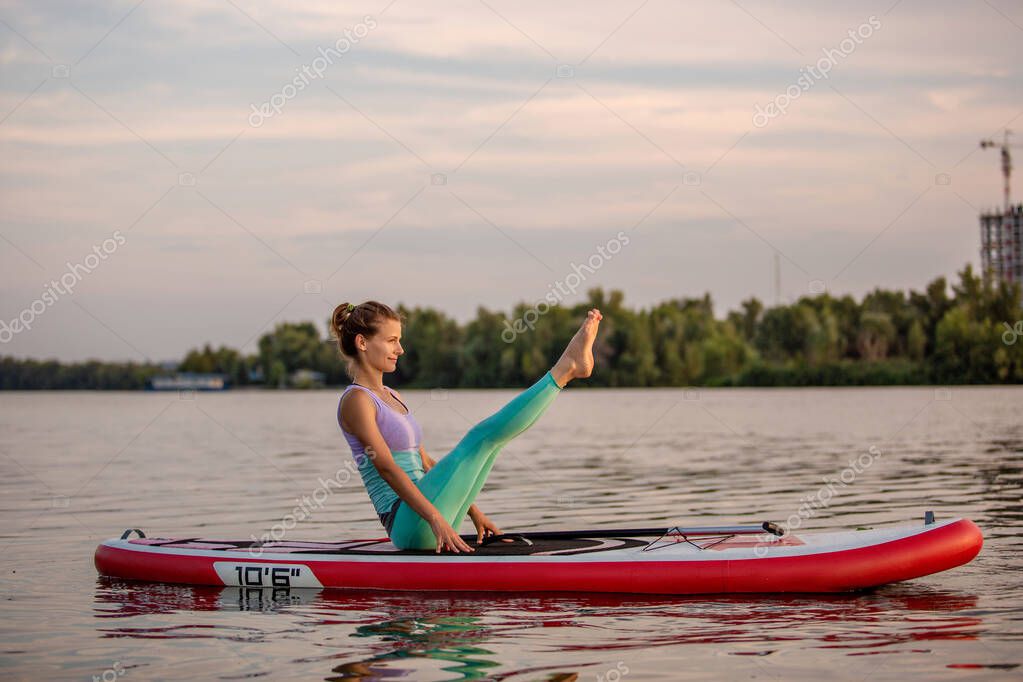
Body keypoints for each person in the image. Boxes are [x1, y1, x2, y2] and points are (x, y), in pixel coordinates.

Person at [333, 301, 602, 553]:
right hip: (407, 522)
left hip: (425, 512)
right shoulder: (357, 400)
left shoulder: (393, 396)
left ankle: (566, 374)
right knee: (480, 438)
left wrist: (473, 512)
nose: (400, 349)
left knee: (492, 444)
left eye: (399, 341)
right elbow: (387, 468)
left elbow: (425, 463)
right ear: (362, 343)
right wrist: (436, 519)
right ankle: (565, 370)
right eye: (392, 341)